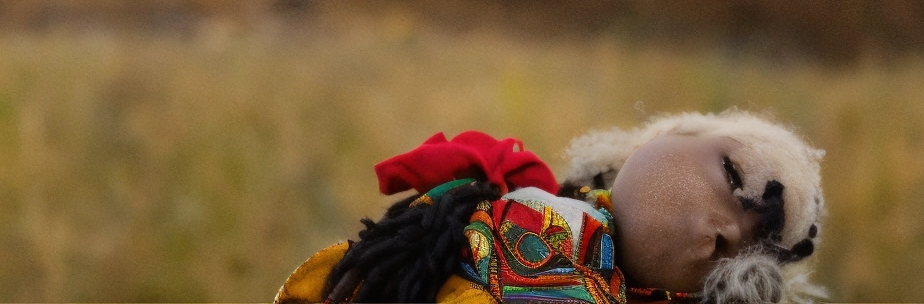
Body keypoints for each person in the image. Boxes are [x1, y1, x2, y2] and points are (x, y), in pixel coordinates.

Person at [275, 112, 827, 304]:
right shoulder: (509, 196)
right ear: (662, 138)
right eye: (730, 177)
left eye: (749, 249)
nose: (723, 233)